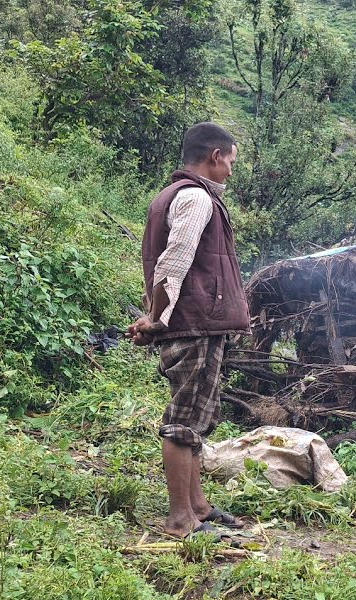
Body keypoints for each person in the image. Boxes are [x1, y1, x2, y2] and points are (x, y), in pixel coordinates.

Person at [127, 122, 250, 540]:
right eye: (230, 161)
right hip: (197, 323)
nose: (231, 171)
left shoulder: (170, 196)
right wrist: (158, 317)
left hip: (194, 322)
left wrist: (156, 319)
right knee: (184, 421)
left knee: (196, 417)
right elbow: (174, 261)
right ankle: (181, 519)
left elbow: (164, 263)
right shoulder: (197, 197)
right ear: (215, 156)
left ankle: (198, 506)